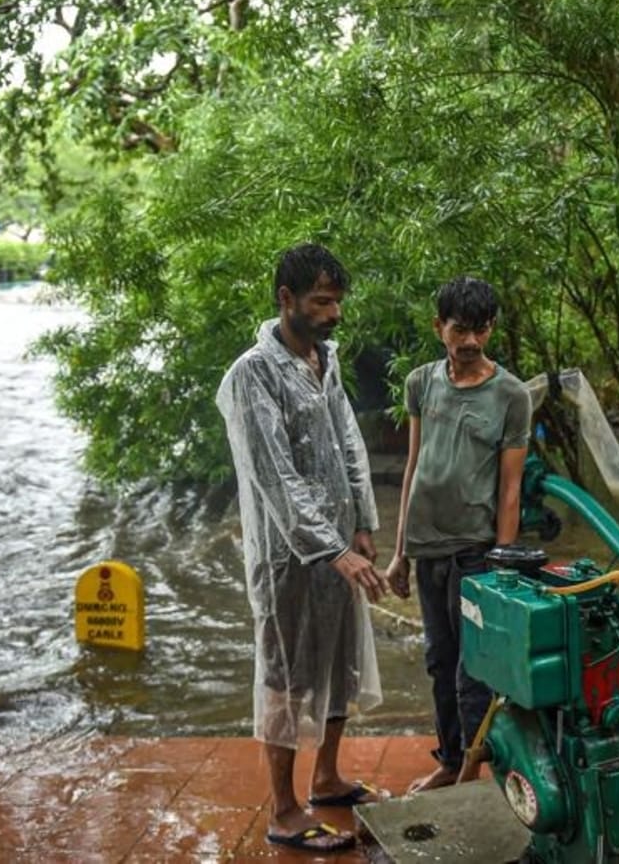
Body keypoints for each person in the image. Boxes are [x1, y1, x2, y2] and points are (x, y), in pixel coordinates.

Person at [215, 242, 392, 854]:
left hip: (341, 540)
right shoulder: (251, 375)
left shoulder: (325, 358)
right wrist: (329, 548)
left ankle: (327, 776)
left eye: (338, 301)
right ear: (286, 299)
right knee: (287, 674)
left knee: (340, 659)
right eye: (322, 301)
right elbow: (274, 475)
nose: (334, 313)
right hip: (287, 556)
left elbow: (348, 440)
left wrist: (363, 525)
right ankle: (285, 809)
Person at [386, 275, 532, 794]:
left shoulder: (511, 395)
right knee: (438, 661)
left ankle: (475, 774)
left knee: (474, 673)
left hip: (476, 554)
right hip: (428, 550)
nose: (471, 341)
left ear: (491, 329)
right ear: (439, 327)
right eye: (460, 329)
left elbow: (510, 490)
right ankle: (451, 761)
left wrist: (502, 565)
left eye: (481, 330)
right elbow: (413, 468)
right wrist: (399, 553)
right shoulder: (421, 383)